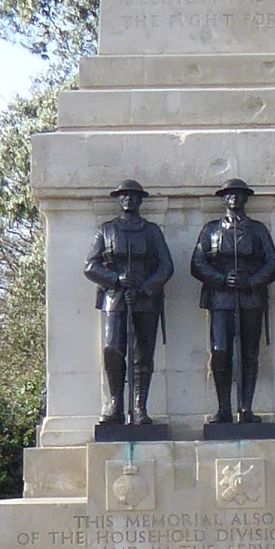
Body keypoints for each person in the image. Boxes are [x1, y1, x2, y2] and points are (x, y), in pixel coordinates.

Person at [83, 179, 174, 426]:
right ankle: (115, 405)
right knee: (112, 349)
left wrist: (145, 289)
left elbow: (166, 266)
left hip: (145, 299)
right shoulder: (106, 230)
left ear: (140, 200)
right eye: (124, 196)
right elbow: (90, 266)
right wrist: (116, 279)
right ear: (118, 199)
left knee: (143, 354)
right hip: (114, 297)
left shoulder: (152, 230)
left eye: (134, 196)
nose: (129, 200)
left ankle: (140, 406)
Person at [191, 178, 275, 424]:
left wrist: (252, 281)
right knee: (220, 352)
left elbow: (273, 264)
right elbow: (197, 264)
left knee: (249, 354)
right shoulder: (210, 230)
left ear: (245, 198)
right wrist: (221, 279)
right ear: (223, 198)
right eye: (229, 195)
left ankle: (245, 407)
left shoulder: (258, 229)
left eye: (239, 194)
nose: (234, 199)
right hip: (221, 299)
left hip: (250, 298)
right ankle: (223, 409)